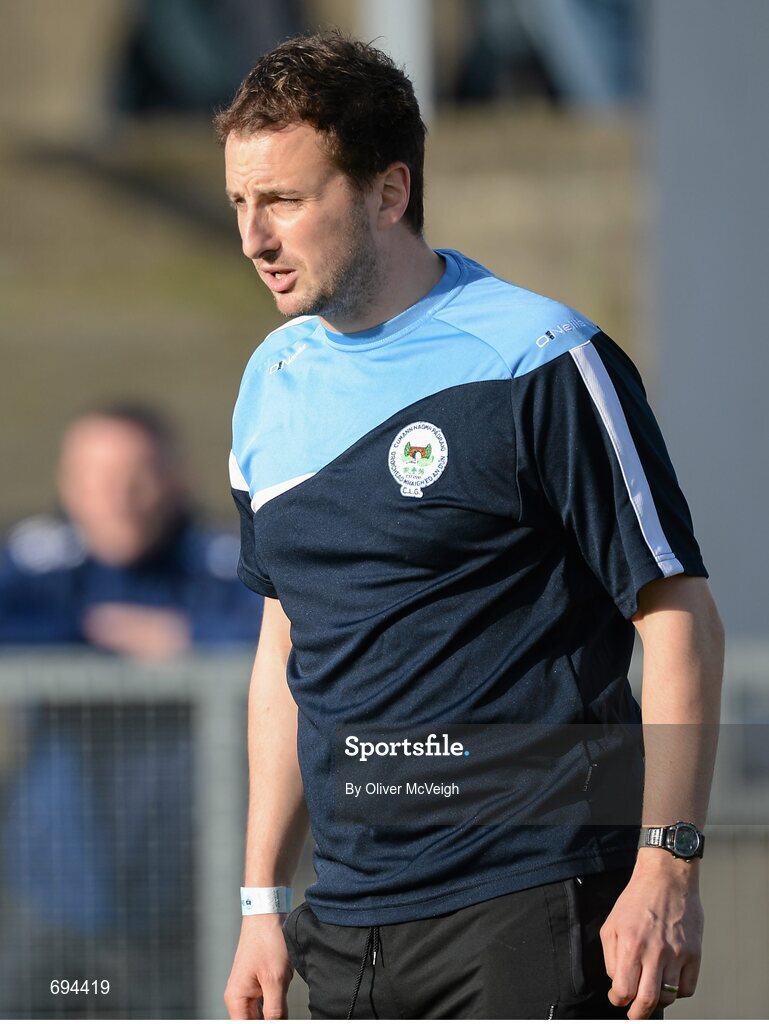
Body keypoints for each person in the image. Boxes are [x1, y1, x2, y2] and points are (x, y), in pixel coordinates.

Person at [217, 32, 724, 1021]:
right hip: (347, 918)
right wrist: (261, 901)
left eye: (283, 199)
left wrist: (667, 865)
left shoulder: (541, 358)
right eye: (240, 202)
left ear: (387, 192)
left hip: (529, 898)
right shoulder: (268, 383)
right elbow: (286, 646)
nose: (252, 236)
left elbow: (677, 615)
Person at [0, 404, 263, 1017]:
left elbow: (284, 631)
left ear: (176, 479)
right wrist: (90, 634)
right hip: (49, 894)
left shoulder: (220, 564)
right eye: (95, 476)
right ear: (68, 483)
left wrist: (182, 639)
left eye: (135, 474)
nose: (116, 497)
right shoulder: (40, 563)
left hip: (181, 904)